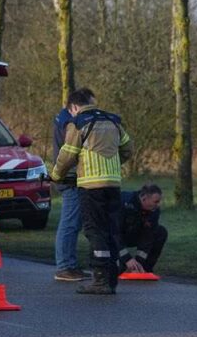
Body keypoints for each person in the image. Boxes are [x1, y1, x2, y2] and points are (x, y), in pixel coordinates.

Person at [49, 88, 132, 295]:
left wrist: (57, 175)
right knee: (112, 230)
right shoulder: (114, 121)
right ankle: (112, 278)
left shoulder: (78, 123)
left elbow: (67, 155)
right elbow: (128, 149)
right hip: (113, 185)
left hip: (90, 186)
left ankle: (99, 280)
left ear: (75, 107)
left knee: (95, 231)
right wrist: (113, 165)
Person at [50, 94, 84, 282]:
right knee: (70, 224)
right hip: (71, 179)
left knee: (73, 223)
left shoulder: (63, 120)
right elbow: (70, 153)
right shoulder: (69, 124)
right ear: (74, 107)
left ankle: (69, 265)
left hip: (68, 177)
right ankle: (64, 266)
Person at [119, 184, 167, 274]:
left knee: (161, 232)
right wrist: (127, 258)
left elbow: (149, 236)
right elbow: (113, 233)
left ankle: (145, 268)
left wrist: (139, 262)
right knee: (118, 270)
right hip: (114, 237)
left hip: (133, 234)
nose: (157, 205)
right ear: (144, 198)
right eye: (156, 202)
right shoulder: (124, 202)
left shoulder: (154, 211)